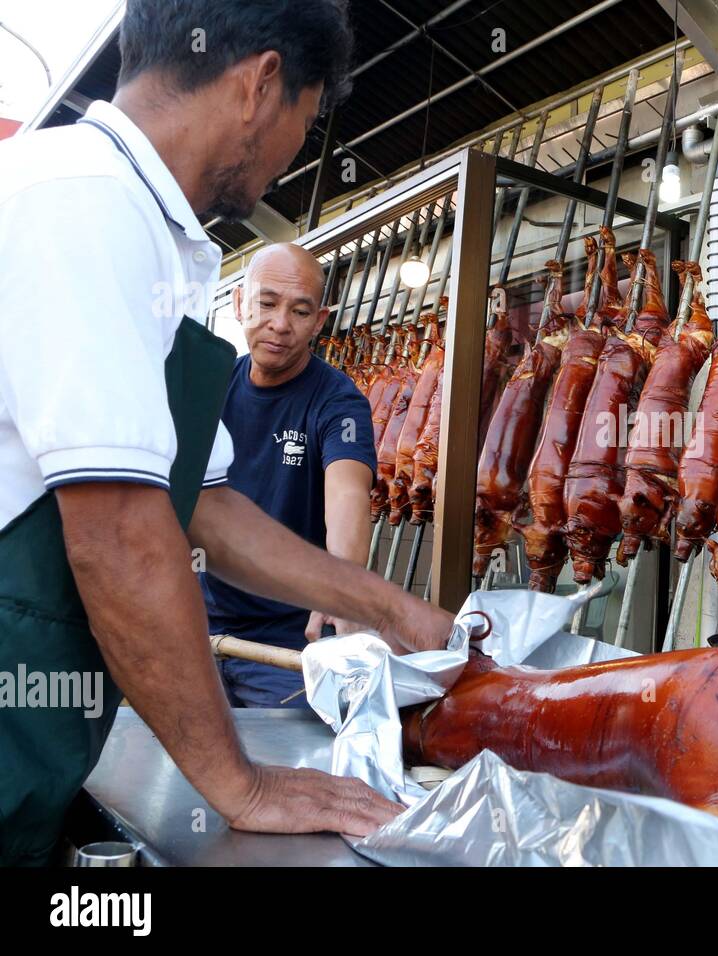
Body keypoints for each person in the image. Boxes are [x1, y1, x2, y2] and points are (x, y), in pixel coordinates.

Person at [0, 0, 454, 865]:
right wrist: (239, 784)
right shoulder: (82, 207)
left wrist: (395, 609)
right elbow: (122, 537)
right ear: (261, 84)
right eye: (307, 123)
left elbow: (205, 509)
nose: (292, 159)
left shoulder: (149, 239)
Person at [203, 243, 376, 707]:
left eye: (300, 311)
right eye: (266, 303)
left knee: (288, 761)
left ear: (319, 322)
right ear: (240, 303)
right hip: (197, 625)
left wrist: (343, 584)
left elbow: (348, 494)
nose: (280, 324)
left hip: (288, 638)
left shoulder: (338, 402)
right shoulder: (209, 386)